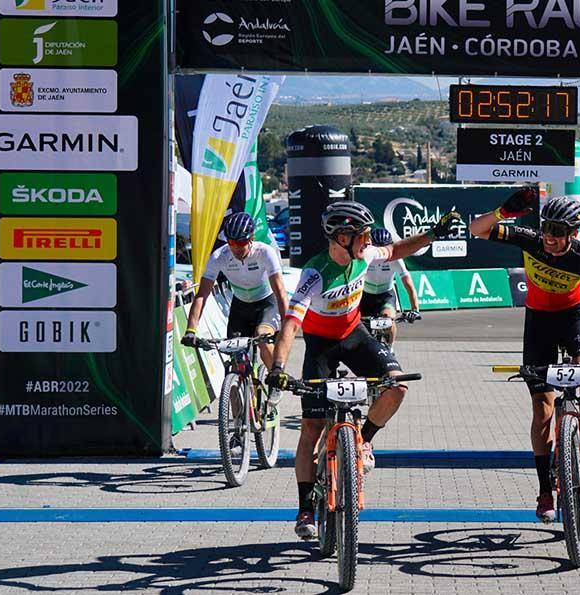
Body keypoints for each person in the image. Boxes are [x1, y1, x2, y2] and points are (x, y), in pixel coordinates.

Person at [268, 200, 459, 540]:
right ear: (342, 237)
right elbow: (291, 325)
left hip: (355, 335)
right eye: (364, 235)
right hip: (321, 346)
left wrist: (432, 234)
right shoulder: (314, 274)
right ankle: (304, 508)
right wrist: (279, 367)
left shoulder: (366, 255)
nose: (369, 241)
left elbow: (396, 248)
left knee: (397, 386)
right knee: (311, 427)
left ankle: (365, 440)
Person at [469, 189, 580, 523]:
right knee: (542, 410)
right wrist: (503, 212)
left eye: (558, 232)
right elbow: (477, 229)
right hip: (538, 324)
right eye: (547, 227)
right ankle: (545, 489)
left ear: (573, 234)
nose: (549, 237)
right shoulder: (531, 240)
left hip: (572, 317)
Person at [182, 212, 288, 374]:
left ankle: (275, 378)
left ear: (251, 239)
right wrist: (191, 330)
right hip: (240, 306)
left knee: (263, 339)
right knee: (234, 362)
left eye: (241, 242)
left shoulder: (265, 253)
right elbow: (202, 295)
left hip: (266, 303)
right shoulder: (220, 256)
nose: (236, 247)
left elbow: (280, 292)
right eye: (232, 242)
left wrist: (285, 325)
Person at [360, 228, 421, 343]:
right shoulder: (364, 257)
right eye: (377, 249)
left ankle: (390, 348)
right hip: (365, 296)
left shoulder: (395, 259)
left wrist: (415, 309)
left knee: (389, 321)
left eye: (384, 248)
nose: (381, 253)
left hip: (386, 295)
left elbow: (408, 285)